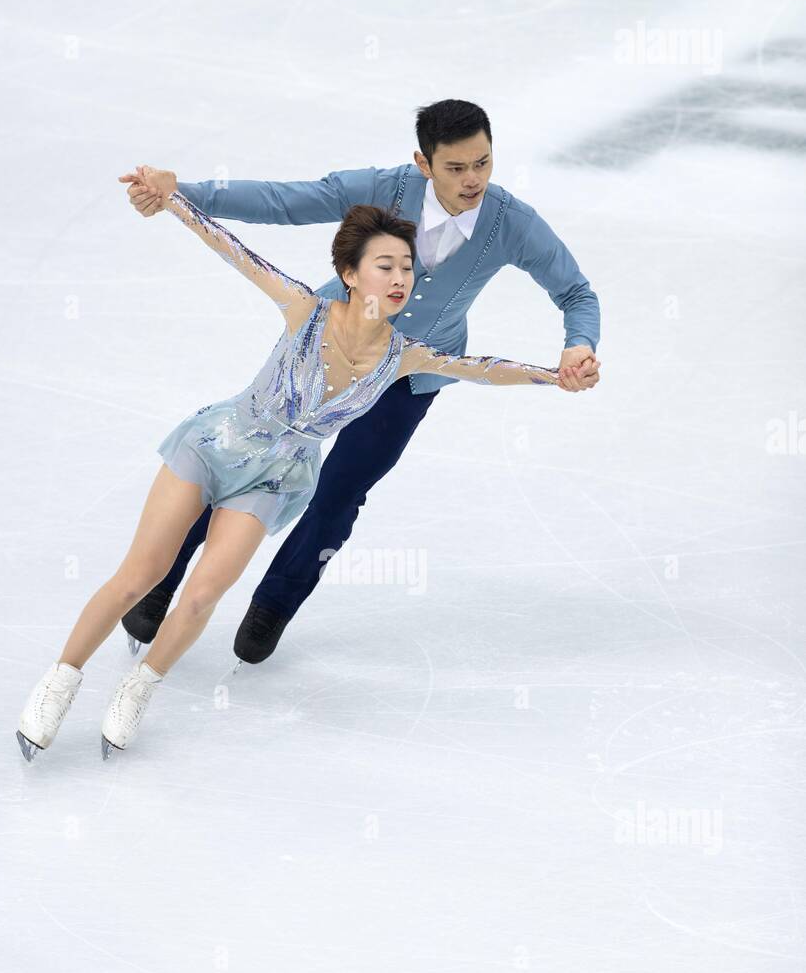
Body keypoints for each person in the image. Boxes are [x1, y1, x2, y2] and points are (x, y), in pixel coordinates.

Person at [15, 167, 595, 762]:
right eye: (385, 266)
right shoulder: (303, 307)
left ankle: (138, 688)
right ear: (349, 274)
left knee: (202, 595)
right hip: (216, 445)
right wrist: (174, 198)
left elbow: (484, 369)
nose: (400, 279)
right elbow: (231, 248)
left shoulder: (408, 358)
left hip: (272, 480)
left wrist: (558, 377)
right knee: (141, 574)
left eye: (406, 268)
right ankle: (60, 679)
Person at [119, 98, 601, 665]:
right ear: (423, 163)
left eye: (483, 163)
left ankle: (275, 602)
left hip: (412, 374)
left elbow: (576, 292)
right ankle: (160, 579)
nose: (473, 180)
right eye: (456, 167)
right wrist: (184, 194)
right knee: (246, 460)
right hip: (325, 350)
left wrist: (579, 344)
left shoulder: (511, 223)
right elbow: (286, 202)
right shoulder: (383, 188)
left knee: (342, 491)